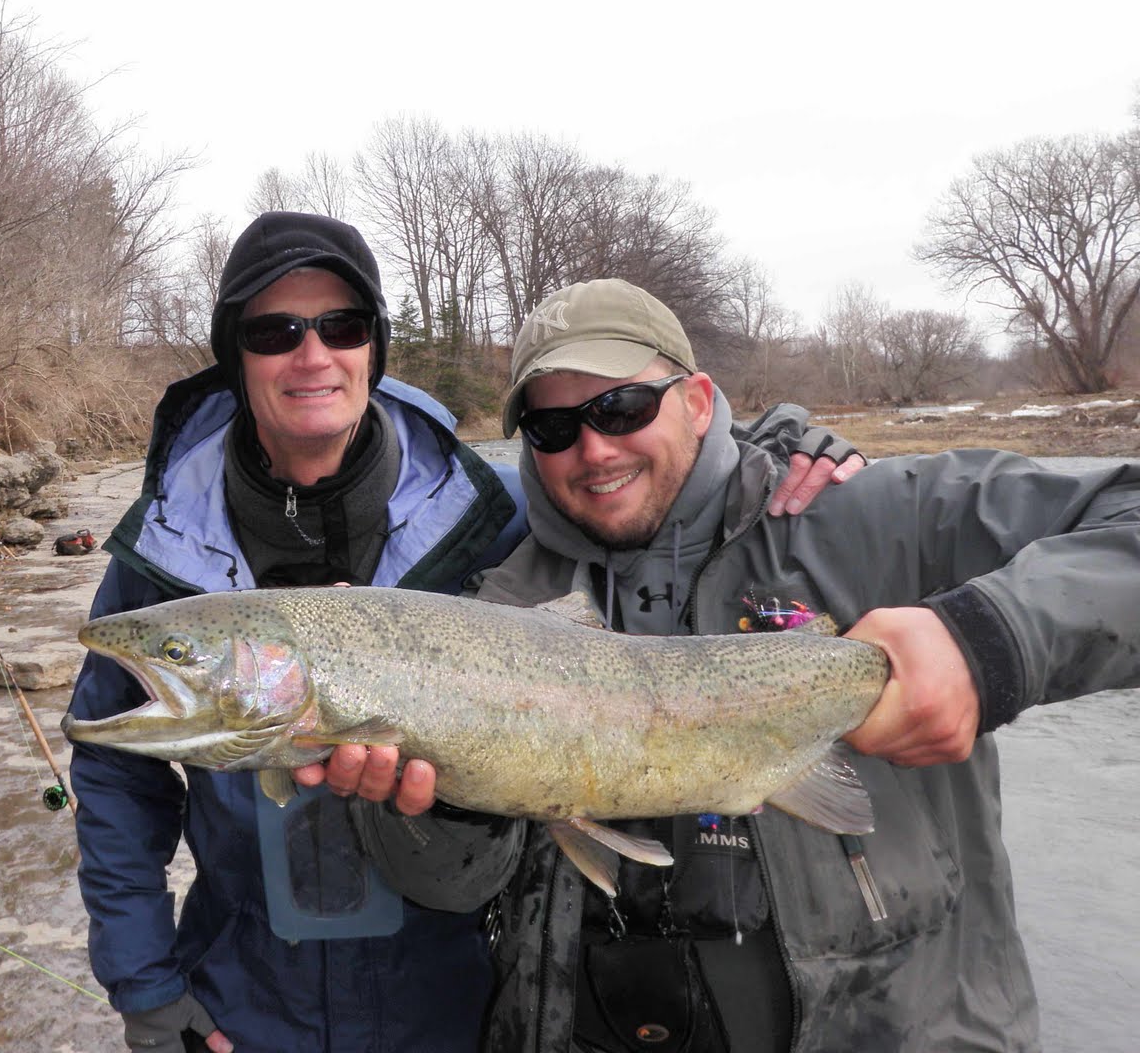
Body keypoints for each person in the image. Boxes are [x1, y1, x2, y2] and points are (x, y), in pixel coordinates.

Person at [67, 219, 857, 1053]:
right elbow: (116, 784)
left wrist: (779, 450)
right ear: (235, 356)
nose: (312, 356)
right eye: (273, 333)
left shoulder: (495, 515)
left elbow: (640, 500)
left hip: (458, 1000)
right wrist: (146, 988)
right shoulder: (162, 547)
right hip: (244, 993)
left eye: (342, 326)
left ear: (374, 347)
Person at [313, 277, 1140, 1053]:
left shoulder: (870, 518)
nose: (593, 449)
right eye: (554, 428)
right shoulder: (501, 608)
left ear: (699, 402)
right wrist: (436, 804)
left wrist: (986, 640)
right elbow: (454, 888)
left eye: (623, 406)